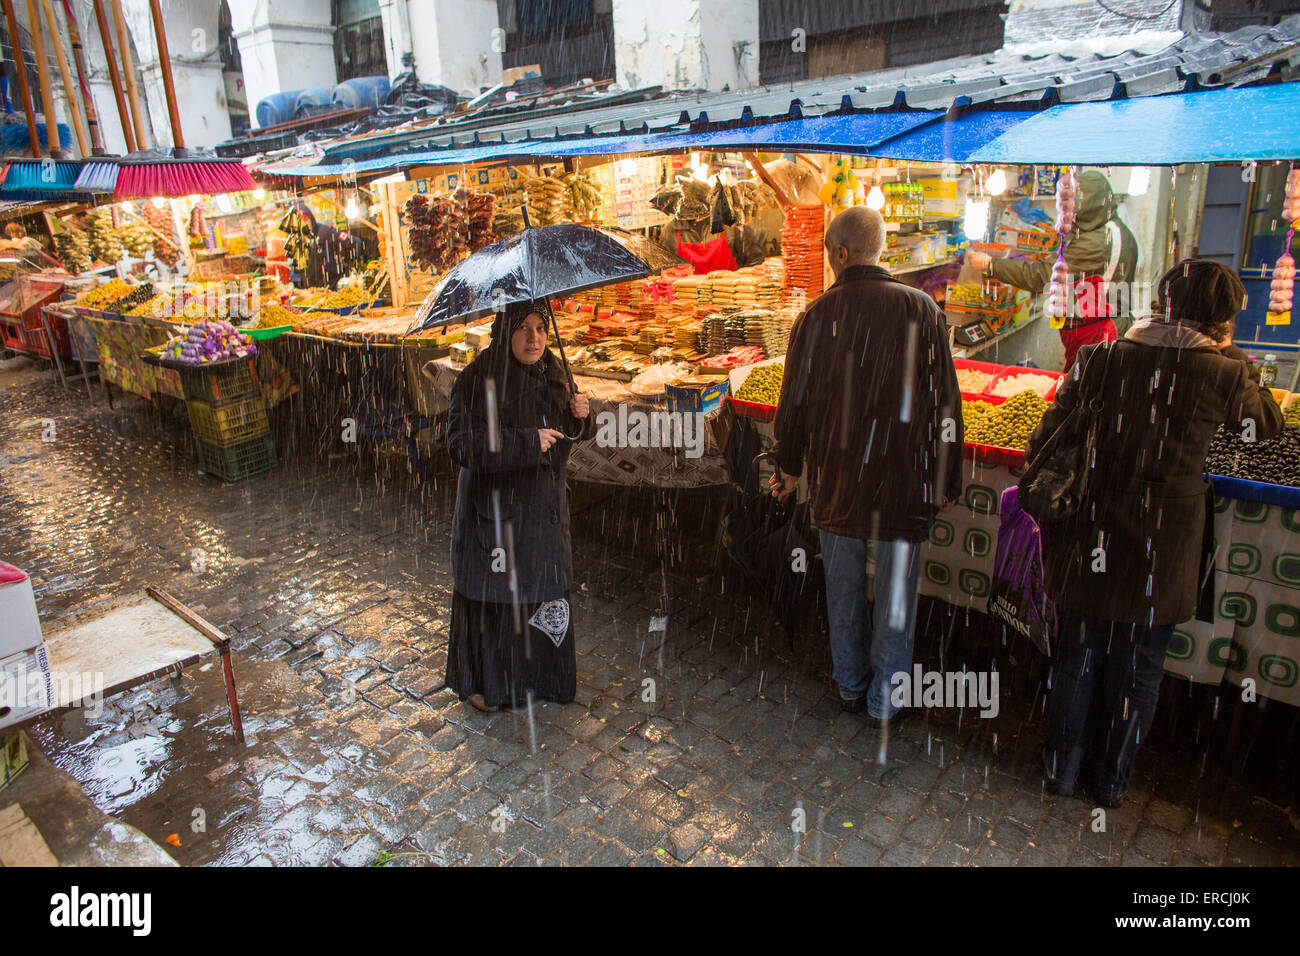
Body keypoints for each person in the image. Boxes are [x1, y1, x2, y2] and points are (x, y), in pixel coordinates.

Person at [1030, 259, 1282, 807]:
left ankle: (1060, 772)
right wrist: (1230, 355)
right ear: (1222, 321)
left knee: (1077, 657)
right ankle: (1110, 783)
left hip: (1089, 533)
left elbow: (1047, 434)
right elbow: (1264, 426)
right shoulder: (1223, 373)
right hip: (1160, 546)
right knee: (1138, 669)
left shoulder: (1102, 357)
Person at [770, 206, 964, 725]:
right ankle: (885, 699)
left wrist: (787, 468)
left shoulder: (814, 317)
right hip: (905, 479)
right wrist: (950, 477)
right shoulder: (922, 309)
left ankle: (851, 685)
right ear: (879, 249)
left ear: (839, 253)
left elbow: (793, 405)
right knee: (896, 594)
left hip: (838, 481)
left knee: (844, 587)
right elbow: (947, 401)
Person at [445, 303, 595, 712]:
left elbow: (567, 430)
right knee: (498, 597)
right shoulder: (478, 379)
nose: (535, 338)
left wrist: (582, 417)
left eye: (541, 328)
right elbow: (461, 444)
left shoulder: (553, 372)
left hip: (541, 513)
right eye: (524, 329)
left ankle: (538, 678)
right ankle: (487, 685)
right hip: (496, 517)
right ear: (504, 332)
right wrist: (526, 442)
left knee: (538, 589)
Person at [968, 170, 1138, 369]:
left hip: (1098, 333)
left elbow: (1041, 276)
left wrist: (990, 264)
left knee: (1081, 392)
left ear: (1088, 205)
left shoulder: (1098, 242)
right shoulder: (1109, 228)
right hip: (1093, 328)